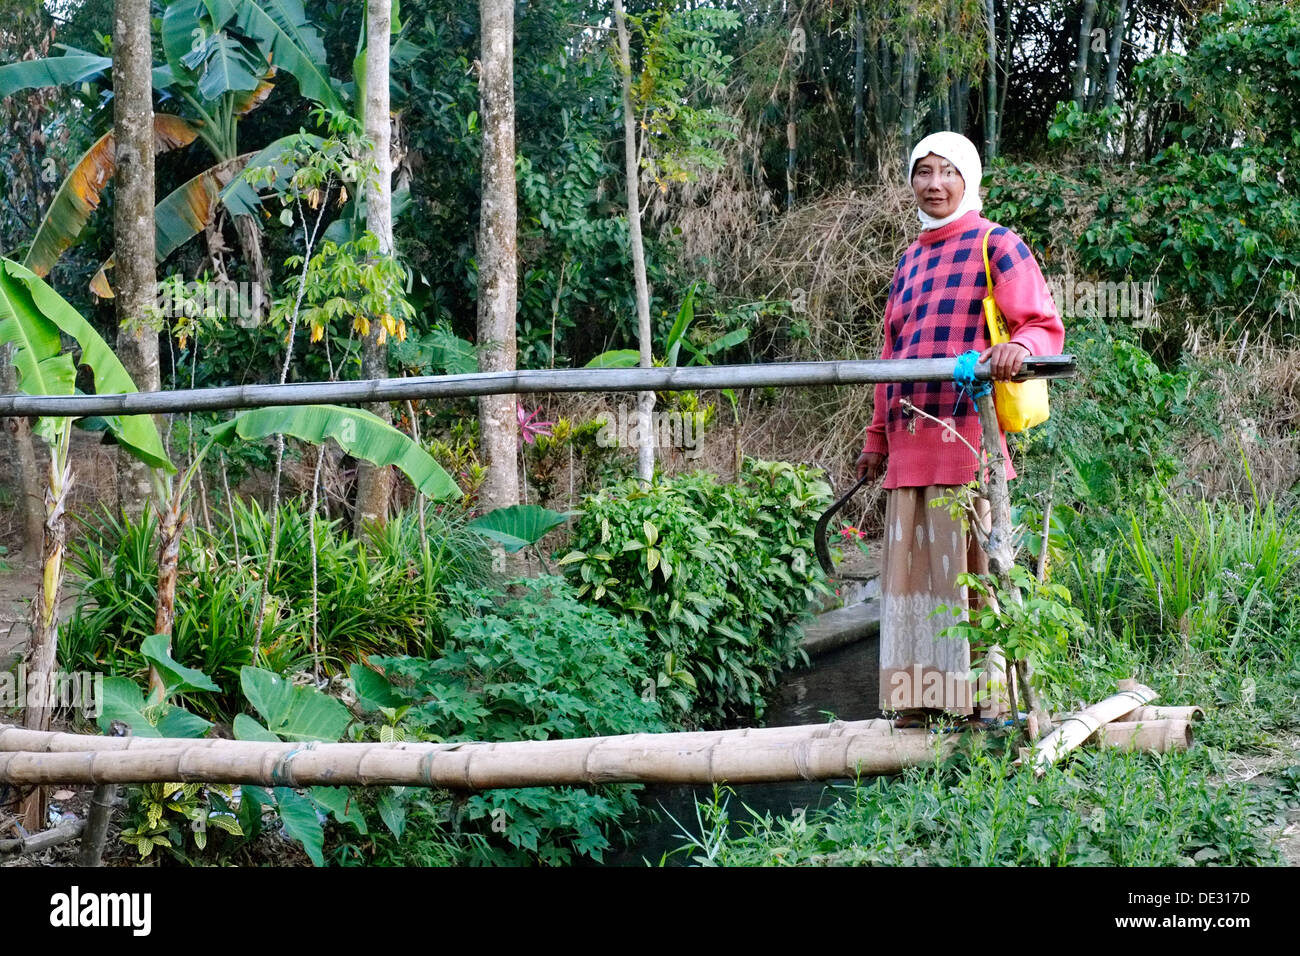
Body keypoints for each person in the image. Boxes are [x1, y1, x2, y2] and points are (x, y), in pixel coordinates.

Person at [855, 131, 1064, 727]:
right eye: (924, 171)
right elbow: (890, 356)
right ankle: (919, 705)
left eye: (948, 171)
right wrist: (875, 440)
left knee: (972, 572)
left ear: (968, 179)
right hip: (908, 438)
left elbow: (1041, 325)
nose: (935, 183)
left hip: (968, 434)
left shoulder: (996, 243)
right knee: (911, 577)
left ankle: (984, 707)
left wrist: (1017, 349)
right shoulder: (910, 258)